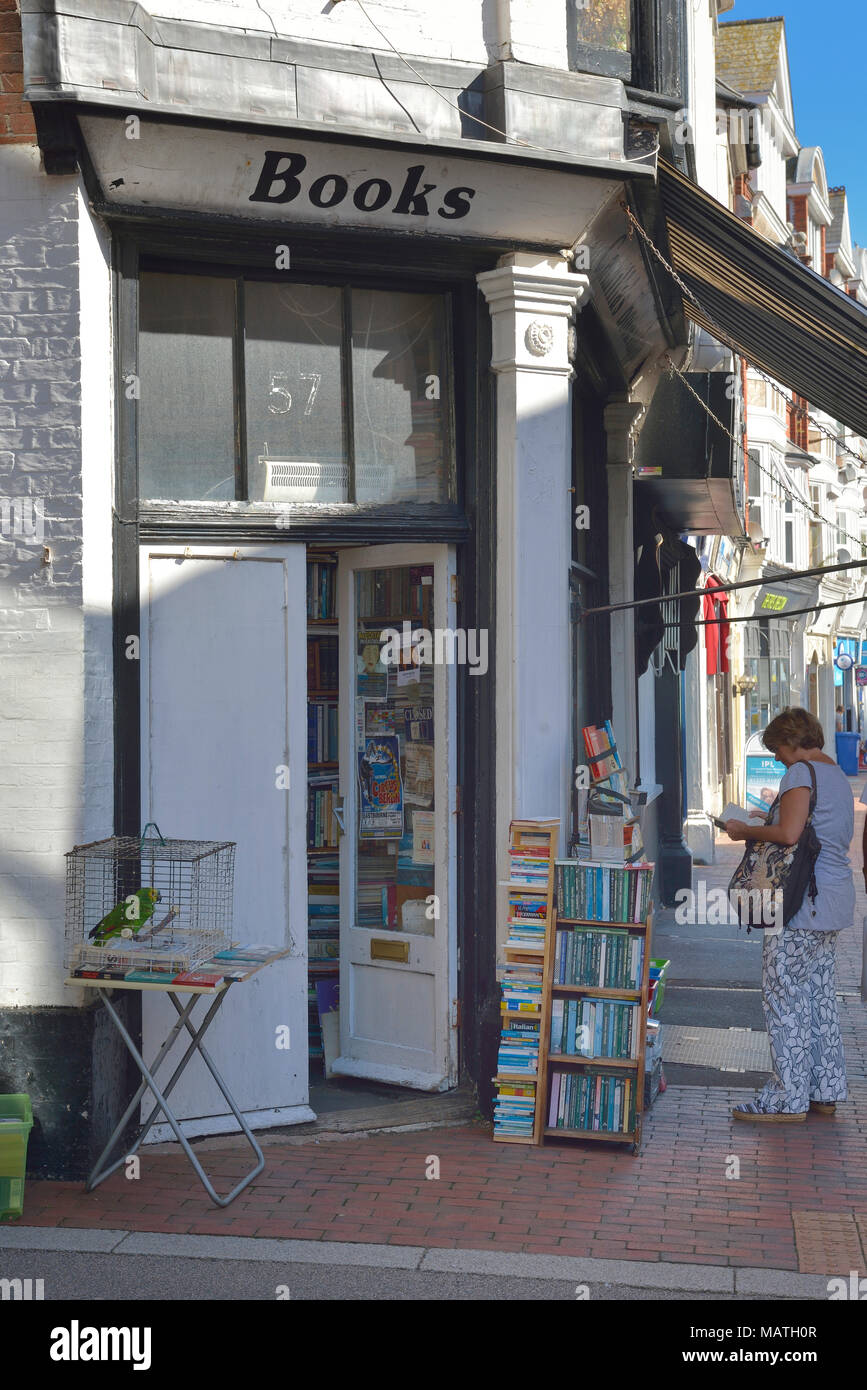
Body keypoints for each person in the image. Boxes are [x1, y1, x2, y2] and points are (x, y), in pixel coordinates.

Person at [724, 708, 852, 1123]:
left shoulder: (800, 773)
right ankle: (824, 1090)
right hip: (833, 900)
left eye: (778, 748)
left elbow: (791, 835)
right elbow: (814, 828)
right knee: (817, 997)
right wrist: (771, 819)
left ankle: (786, 1098)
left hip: (800, 905)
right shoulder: (835, 774)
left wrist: (746, 831)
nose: (777, 758)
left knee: (782, 998)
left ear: (792, 741)